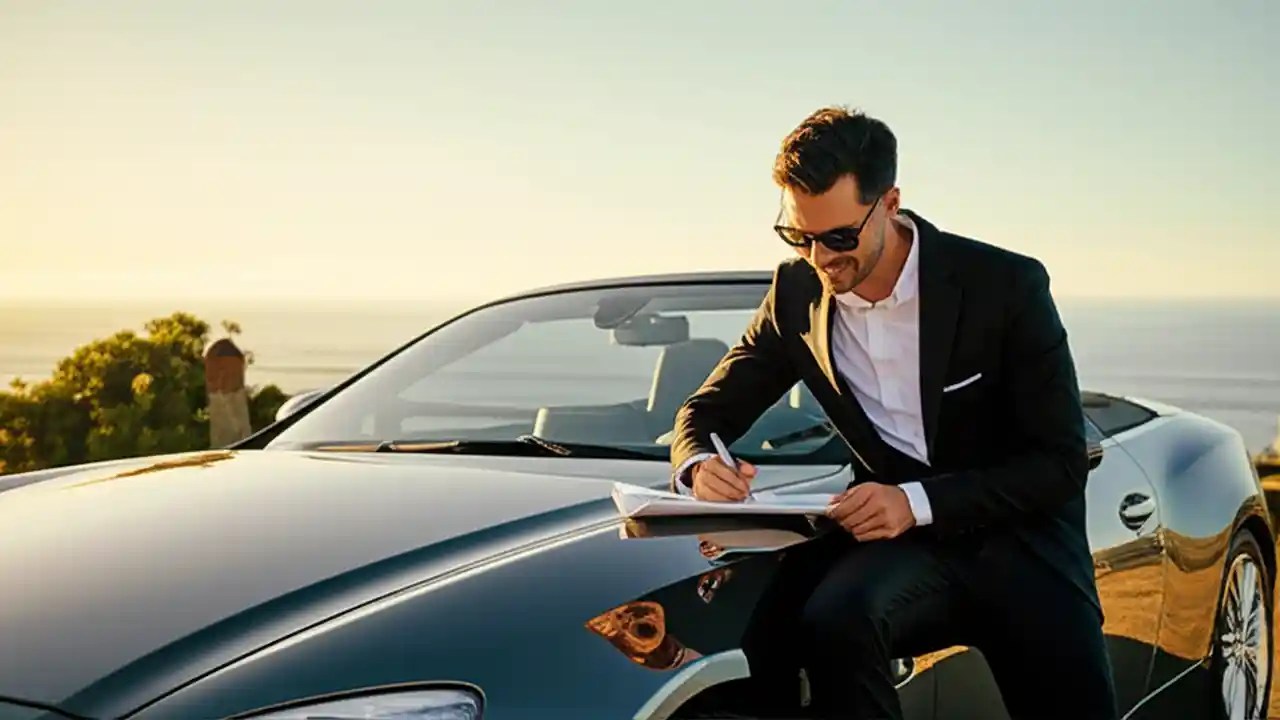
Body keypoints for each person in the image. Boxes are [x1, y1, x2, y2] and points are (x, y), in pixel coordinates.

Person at [668, 106, 1118, 720]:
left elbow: (1060, 464)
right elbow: (706, 410)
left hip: (1024, 546)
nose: (820, 257)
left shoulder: (1004, 285)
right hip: (897, 549)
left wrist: (914, 501)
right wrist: (697, 465)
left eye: (839, 237)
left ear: (889, 203)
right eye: (798, 236)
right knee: (832, 619)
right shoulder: (796, 293)